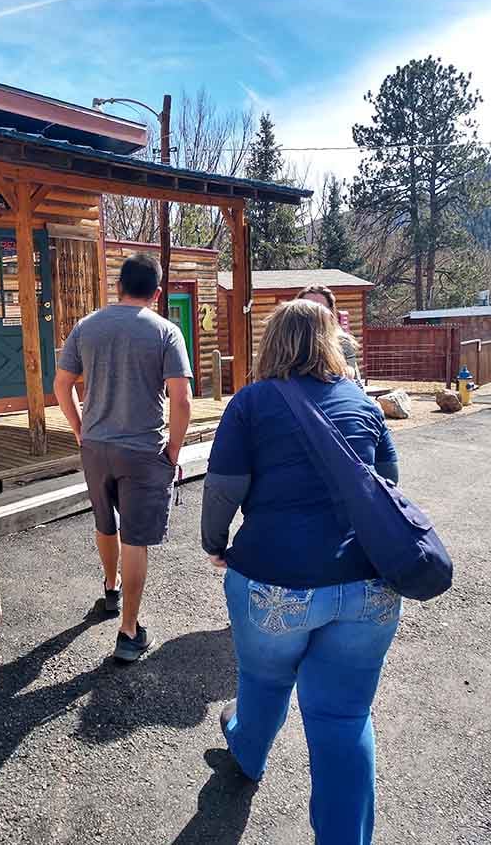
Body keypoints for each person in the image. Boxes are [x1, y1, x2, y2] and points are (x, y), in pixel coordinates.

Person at [201, 299, 400, 845]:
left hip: (275, 581)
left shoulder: (251, 404)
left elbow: (222, 487)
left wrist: (215, 545)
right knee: (344, 716)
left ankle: (248, 752)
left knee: (264, 681)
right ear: (332, 341)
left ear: (273, 343)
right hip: (370, 587)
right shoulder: (364, 404)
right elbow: (389, 489)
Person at [54, 253, 193, 662]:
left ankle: (110, 590)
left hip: (96, 447)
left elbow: (62, 386)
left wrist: (81, 430)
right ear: (157, 291)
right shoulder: (167, 332)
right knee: (136, 539)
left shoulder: (86, 327)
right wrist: (174, 450)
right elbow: (181, 400)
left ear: (117, 287)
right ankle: (128, 631)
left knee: (104, 523)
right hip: (143, 450)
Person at [296, 284, 362, 381]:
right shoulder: (287, 342)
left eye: (321, 308)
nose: (315, 313)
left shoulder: (342, 342)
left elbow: (353, 378)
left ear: (330, 312)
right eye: (308, 308)